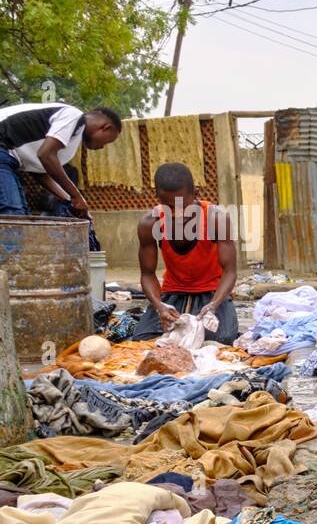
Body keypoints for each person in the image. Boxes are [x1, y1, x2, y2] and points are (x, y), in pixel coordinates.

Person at [133, 163, 239, 344]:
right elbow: (147, 274)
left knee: (220, 339)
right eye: (170, 206)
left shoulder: (216, 219)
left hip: (211, 293)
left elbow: (230, 271)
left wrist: (214, 306)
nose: (178, 212)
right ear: (156, 196)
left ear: (195, 193)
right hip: (173, 292)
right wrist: (159, 307)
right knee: (144, 339)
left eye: (184, 204)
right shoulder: (150, 223)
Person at [0, 103, 120, 216]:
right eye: (107, 141)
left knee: (22, 216)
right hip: (3, 150)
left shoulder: (71, 135)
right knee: (13, 213)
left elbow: (40, 172)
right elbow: (46, 155)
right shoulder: (73, 116)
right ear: (106, 128)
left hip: (7, 155)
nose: (102, 147)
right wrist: (77, 196)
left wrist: (70, 200)